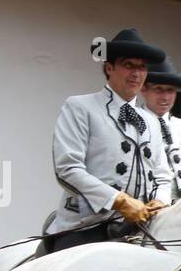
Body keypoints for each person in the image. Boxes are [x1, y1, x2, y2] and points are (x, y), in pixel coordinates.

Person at [46, 28, 171, 252]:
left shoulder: (151, 121)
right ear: (109, 67)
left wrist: (161, 201)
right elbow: (68, 169)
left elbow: (163, 175)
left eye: (141, 67)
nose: (136, 73)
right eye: (128, 65)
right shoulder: (80, 107)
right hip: (86, 227)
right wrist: (120, 201)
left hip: (141, 228)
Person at [140, 58, 181, 201]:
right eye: (158, 89)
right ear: (143, 89)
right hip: (142, 211)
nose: (165, 97)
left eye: (170, 90)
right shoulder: (132, 124)